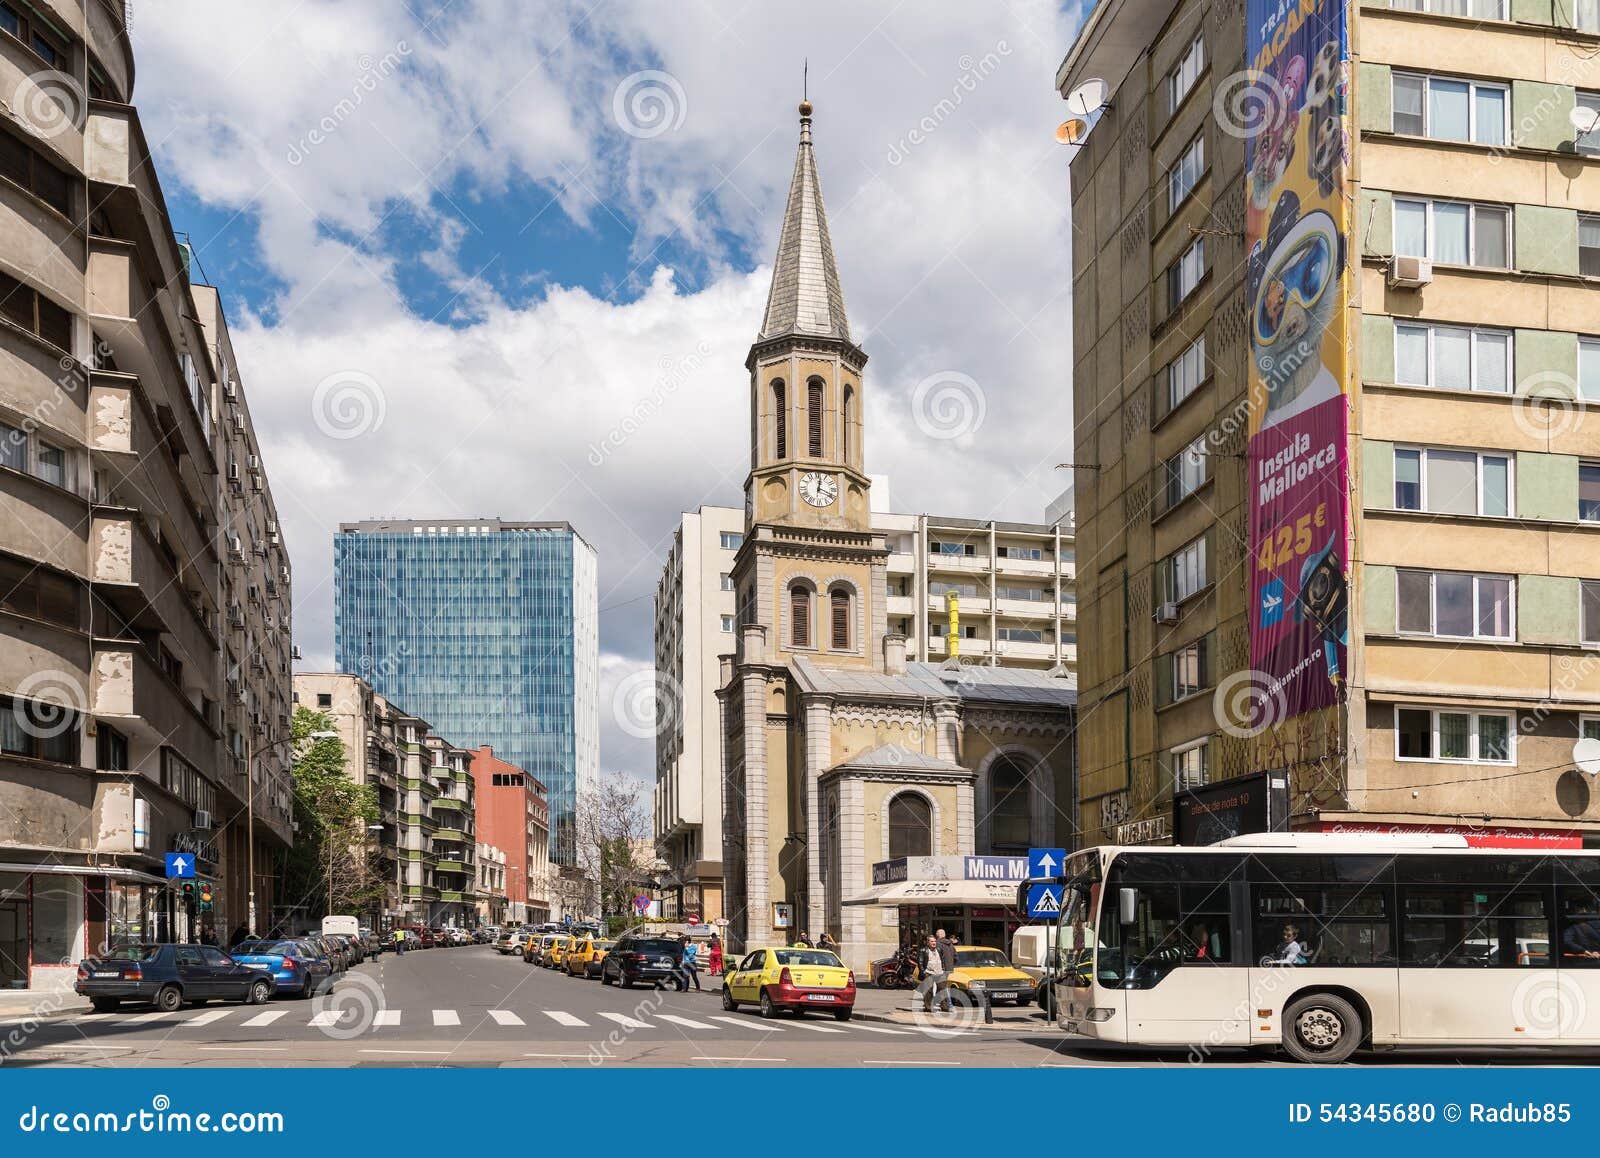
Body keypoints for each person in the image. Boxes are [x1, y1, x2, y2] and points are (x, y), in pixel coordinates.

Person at [918, 934, 949, 1013]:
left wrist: (943, 969)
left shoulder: (939, 949)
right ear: (928, 942)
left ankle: (944, 1006)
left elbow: (942, 960)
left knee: (943, 989)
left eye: (935, 941)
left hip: (939, 972)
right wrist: (923, 972)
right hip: (929, 972)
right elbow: (920, 962)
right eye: (932, 941)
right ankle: (928, 1007)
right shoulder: (923, 950)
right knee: (929, 991)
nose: (934, 943)